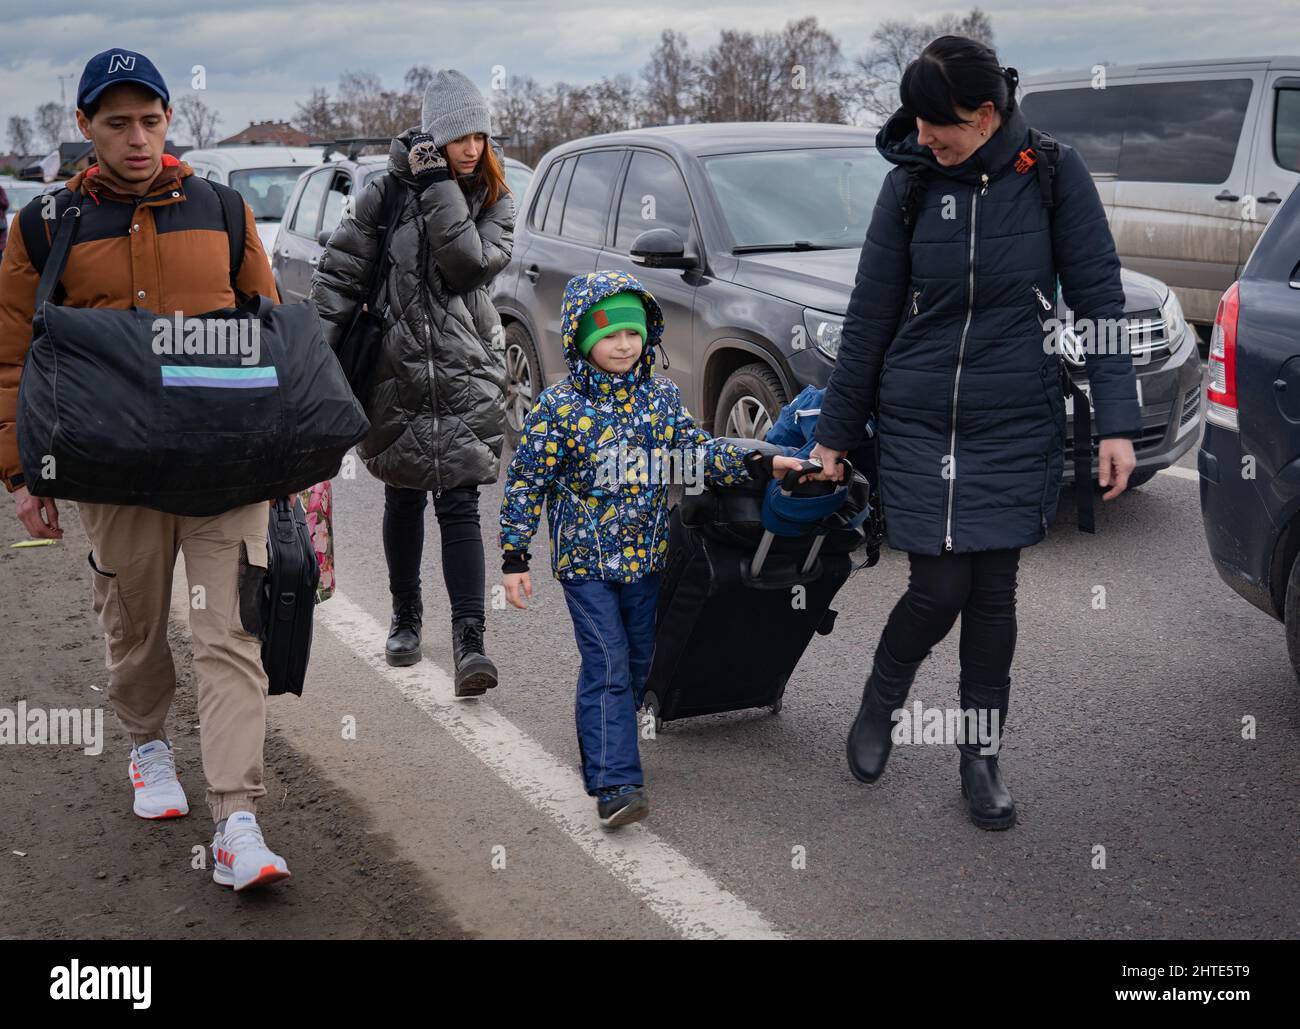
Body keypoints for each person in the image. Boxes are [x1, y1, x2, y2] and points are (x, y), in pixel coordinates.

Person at [810, 36, 1140, 830]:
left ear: (986, 115)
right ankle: (884, 694)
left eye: (940, 123)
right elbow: (869, 317)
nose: (925, 136)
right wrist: (835, 432)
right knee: (939, 586)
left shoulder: (1055, 175)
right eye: (918, 122)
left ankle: (978, 756)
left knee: (994, 593)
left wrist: (1117, 422)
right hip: (921, 417)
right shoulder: (910, 189)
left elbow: (1098, 297)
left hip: (1015, 414)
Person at [0, 49, 292, 888]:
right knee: (133, 625)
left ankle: (238, 819)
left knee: (230, 633)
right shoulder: (46, 224)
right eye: (117, 121)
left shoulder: (226, 211)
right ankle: (149, 747)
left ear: (170, 121)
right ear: (86, 126)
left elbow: (270, 339)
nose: (137, 137)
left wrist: (278, 452)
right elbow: (13, 354)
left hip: (220, 470)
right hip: (113, 473)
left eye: (151, 120)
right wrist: (22, 475)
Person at [498, 271, 804, 827]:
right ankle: (616, 783)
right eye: (609, 334)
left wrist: (764, 460)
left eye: (632, 335)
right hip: (584, 565)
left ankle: (605, 752)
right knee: (608, 661)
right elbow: (526, 482)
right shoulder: (559, 408)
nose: (622, 345)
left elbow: (697, 455)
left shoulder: (660, 398)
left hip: (645, 561)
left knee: (639, 660)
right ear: (581, 338)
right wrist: (514, 556)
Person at [311, 69, 512, 695]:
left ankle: (470, 641)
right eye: (458, 136)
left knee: (459, 503)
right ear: (434, 134)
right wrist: (310, 366)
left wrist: (437, 186)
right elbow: (341, 277)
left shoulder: (493, 198)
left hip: (465, 369)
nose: (472, 148)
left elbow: (466, 267)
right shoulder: (382, 194)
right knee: (402, 498)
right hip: (393, 371)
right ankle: (405, 616)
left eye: (479, 134)